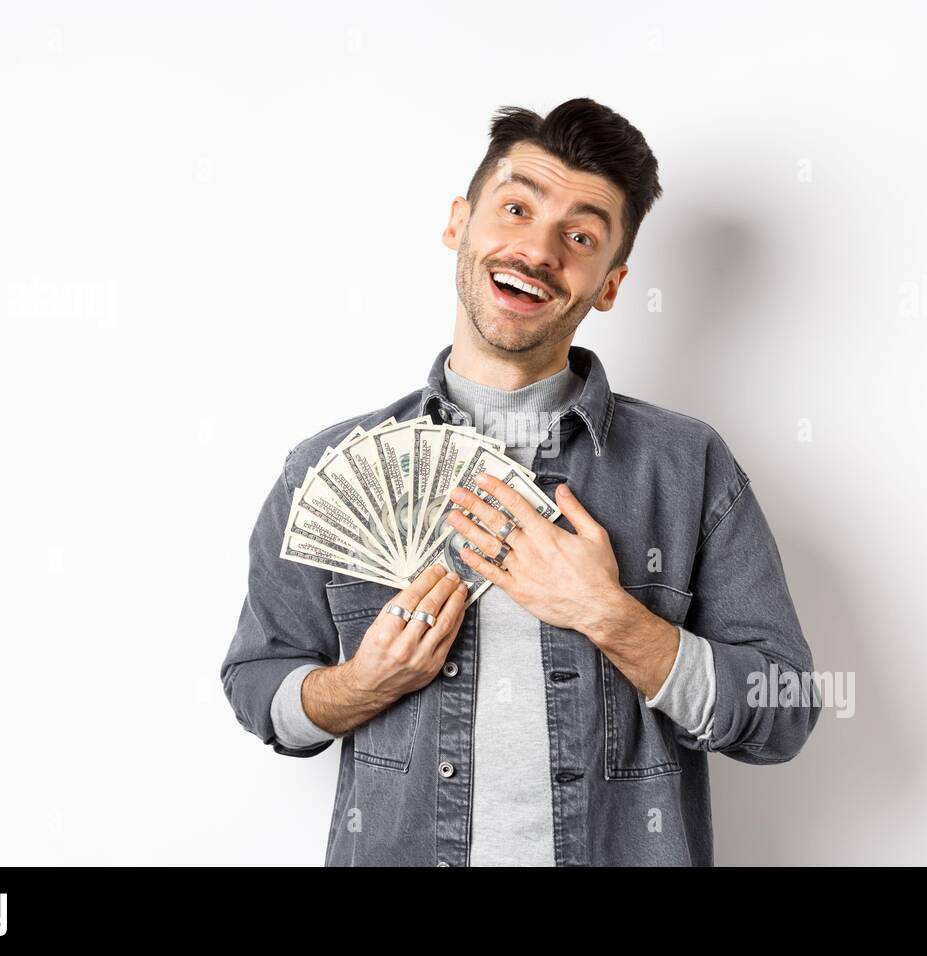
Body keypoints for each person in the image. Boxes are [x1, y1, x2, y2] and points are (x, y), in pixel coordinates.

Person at [220, 97, 820, 866]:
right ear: (457, 223)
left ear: (609, 283)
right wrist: (362, 685)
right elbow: (256, 682)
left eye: (579, 236)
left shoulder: (688, 466)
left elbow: (787, 708)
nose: (537, 251)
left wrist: (611, 616)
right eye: (515, 208)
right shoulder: (324, 466)